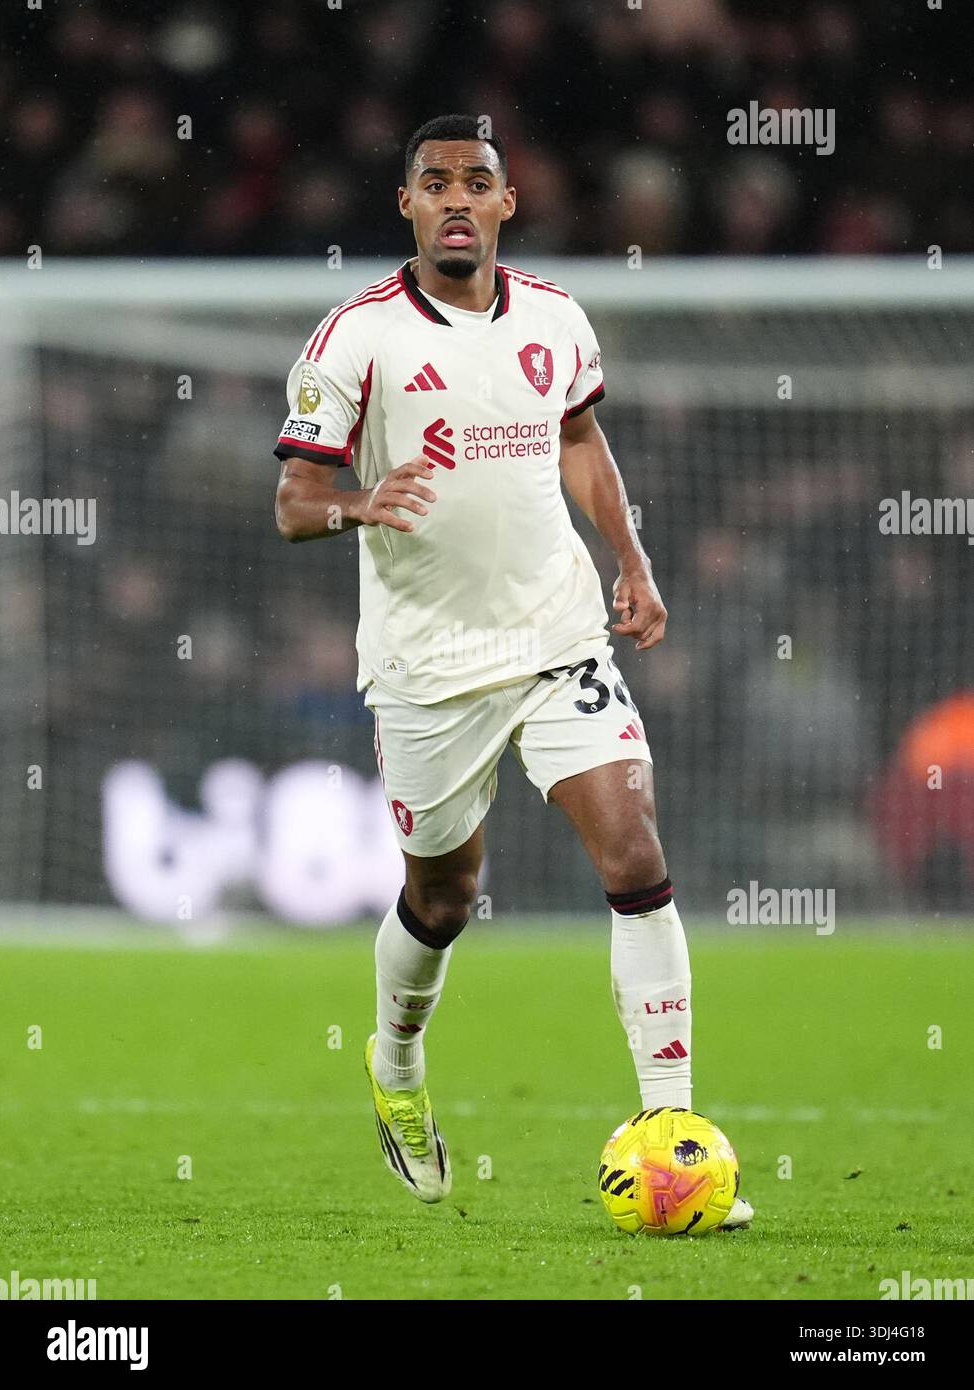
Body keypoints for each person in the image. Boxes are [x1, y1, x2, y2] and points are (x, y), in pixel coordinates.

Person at [273, 113, 751, 1229]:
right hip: (427, 666)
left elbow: (579, 439)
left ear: (505, 203)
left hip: (558, 637)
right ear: (406, 206)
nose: (454, 198)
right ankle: (395, 1066)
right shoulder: (355, 338)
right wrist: (356, 501)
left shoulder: (556, 319)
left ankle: (672, 1131)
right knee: (445, 895)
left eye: (474, 182)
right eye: (432, 182)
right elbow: (293, 502)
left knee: (634, 850)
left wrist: (631, 561)